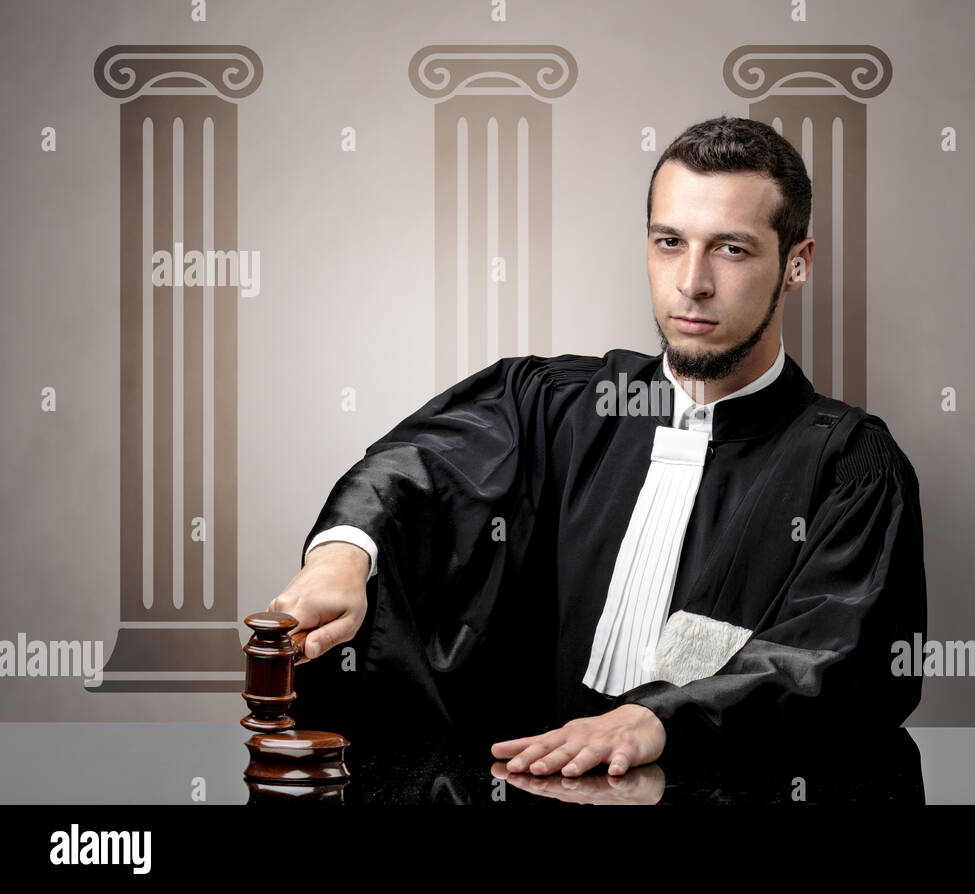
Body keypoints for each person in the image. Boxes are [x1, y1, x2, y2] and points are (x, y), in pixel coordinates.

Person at [271, 115, 927, 779]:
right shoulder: (554, 403)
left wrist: (660, 720)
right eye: (669, 241)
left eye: (731, 249)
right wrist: (343, 558)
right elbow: (418, 466)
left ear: (796, 264)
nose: (691, 282)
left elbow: (842, 659)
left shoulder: (851, 469)